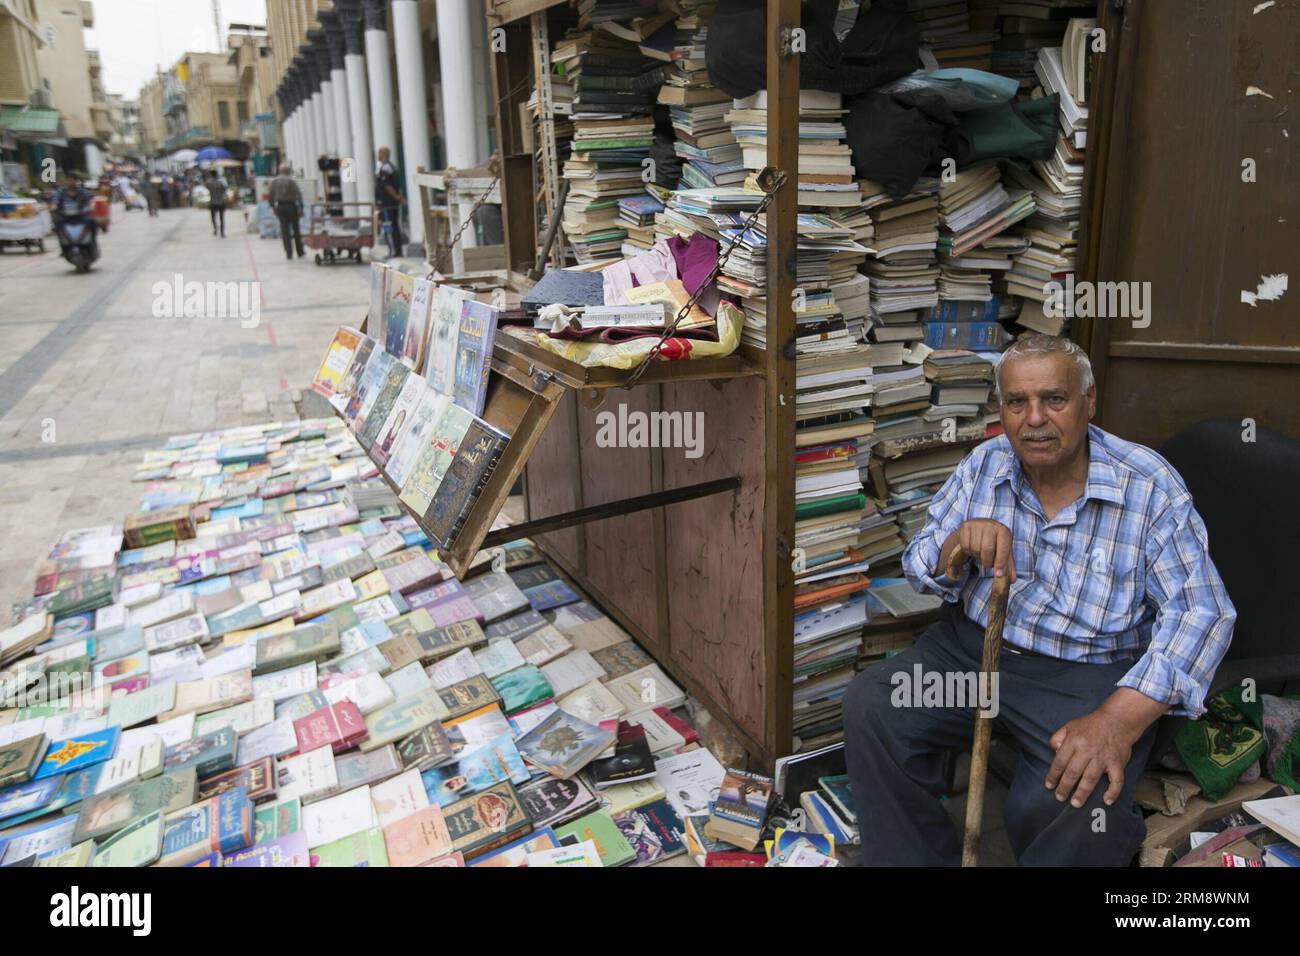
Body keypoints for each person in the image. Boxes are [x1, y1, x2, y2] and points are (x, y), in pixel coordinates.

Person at [842, 334, 1236, 867]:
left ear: (1088, 402)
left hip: (1085, 676)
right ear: (1001, 408)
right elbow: (918, 566)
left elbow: (1203, 613)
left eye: (1054, 399)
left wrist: (1118, 721)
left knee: (1074, 798)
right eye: (1016, 402)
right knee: (875, 707)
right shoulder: (985, 465)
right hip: (972, 655)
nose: (1034, 419)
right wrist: (955, 544)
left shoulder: (1147, 486)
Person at [267, 163, 305, 259]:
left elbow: (270, 195)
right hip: (291, 207)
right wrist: (301, 207)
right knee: (296, 230)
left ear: (280, 171)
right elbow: (298, 195)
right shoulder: (292, 181)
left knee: (284, 230)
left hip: (280, 206)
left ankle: (288, 252)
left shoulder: (274, 181)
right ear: (288, 171)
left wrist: (273, 207)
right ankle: (299, 251)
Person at [375, 146, 404, 258]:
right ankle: (398, 250)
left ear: (383, 154)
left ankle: (393, 251)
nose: (378, 155)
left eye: (379, 153)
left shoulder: (385, 168)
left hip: (386, 204)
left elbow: (387, 186)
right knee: (395, 226)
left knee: (389, 227)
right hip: (392, 204)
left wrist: (397, 197)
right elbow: (398, 185)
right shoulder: (393, 167)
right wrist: (399, 197)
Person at [207, 170, 228, 237]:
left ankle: (215, 229)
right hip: (221, 202)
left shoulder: (209, 183)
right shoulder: (220, 183)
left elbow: (207, 188)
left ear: (211, 175)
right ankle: (222, 232)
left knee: (213, 217)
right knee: (221, 218)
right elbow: (224, 189)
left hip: (213, 202)